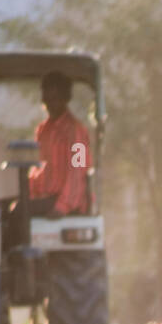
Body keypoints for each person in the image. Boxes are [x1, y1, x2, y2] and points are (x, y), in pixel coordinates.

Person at [28, 70, 93, 217]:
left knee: (19, 211)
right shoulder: (43, 130)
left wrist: (62, 206)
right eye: (47, 98)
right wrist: (29, 195)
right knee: (2, 208)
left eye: (55, 98)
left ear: (66, 98)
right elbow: (38, 169)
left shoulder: (76, 132)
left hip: (68, 201)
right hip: (46, 197)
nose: (50, 103)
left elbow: (78, 172)